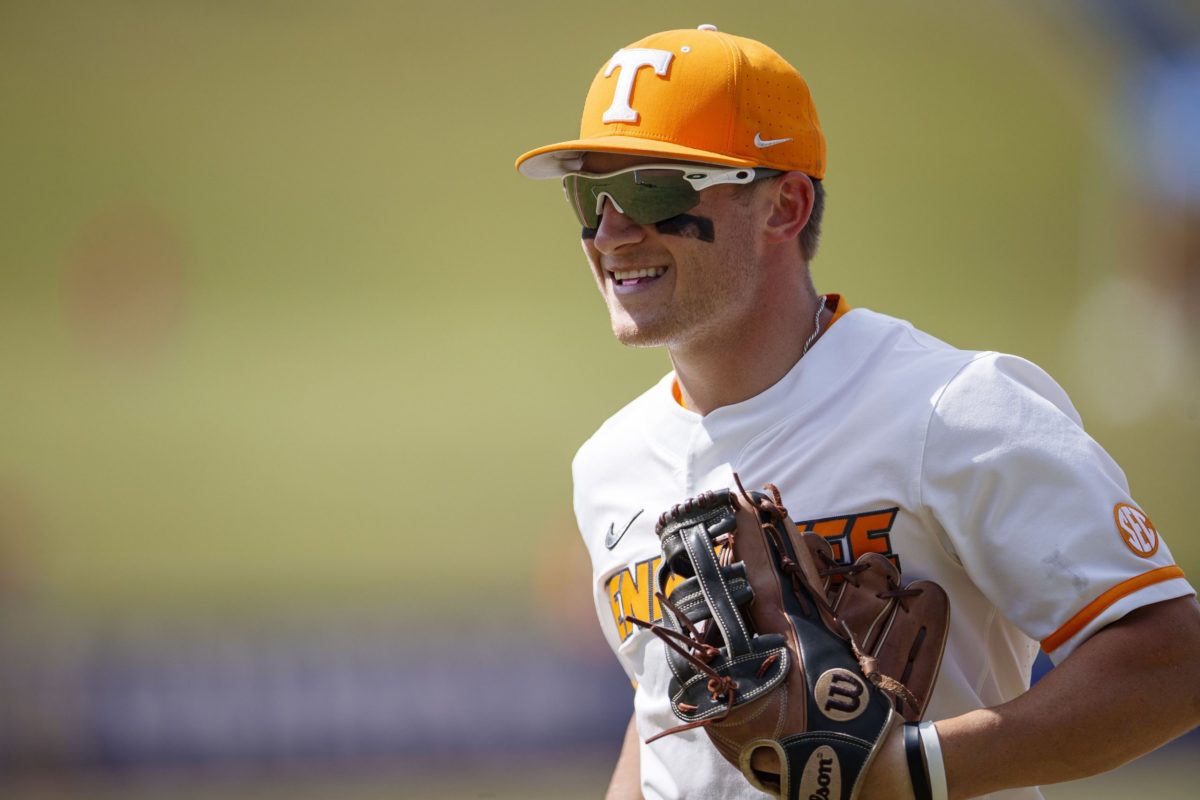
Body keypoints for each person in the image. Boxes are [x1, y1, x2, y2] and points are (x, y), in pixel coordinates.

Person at [515, 25, 1200, 800]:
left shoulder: (951, 409)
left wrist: (906, 770)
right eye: (587, 193)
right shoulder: (609, 465)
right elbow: (664, 720)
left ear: (785, 205)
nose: (609, 230)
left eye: (653, 188)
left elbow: (1173, 662)